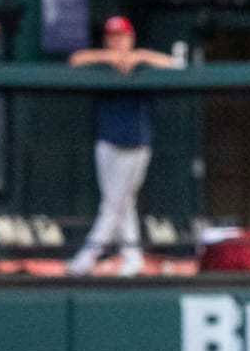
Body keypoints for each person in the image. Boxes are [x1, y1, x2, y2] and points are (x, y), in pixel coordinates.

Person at [65, 16, 181, 278]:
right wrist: (107, 57)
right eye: (113, 37)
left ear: (131, 38)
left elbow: (173, 65)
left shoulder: (142, 64)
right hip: (107, 142)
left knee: (112, 205)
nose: (118, 42)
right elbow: (75, 60)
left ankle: (87, 256)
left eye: (122, 37)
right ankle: (132, 258)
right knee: (121, 204)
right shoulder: (101, 65)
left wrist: (140, 57)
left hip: (136, 145)